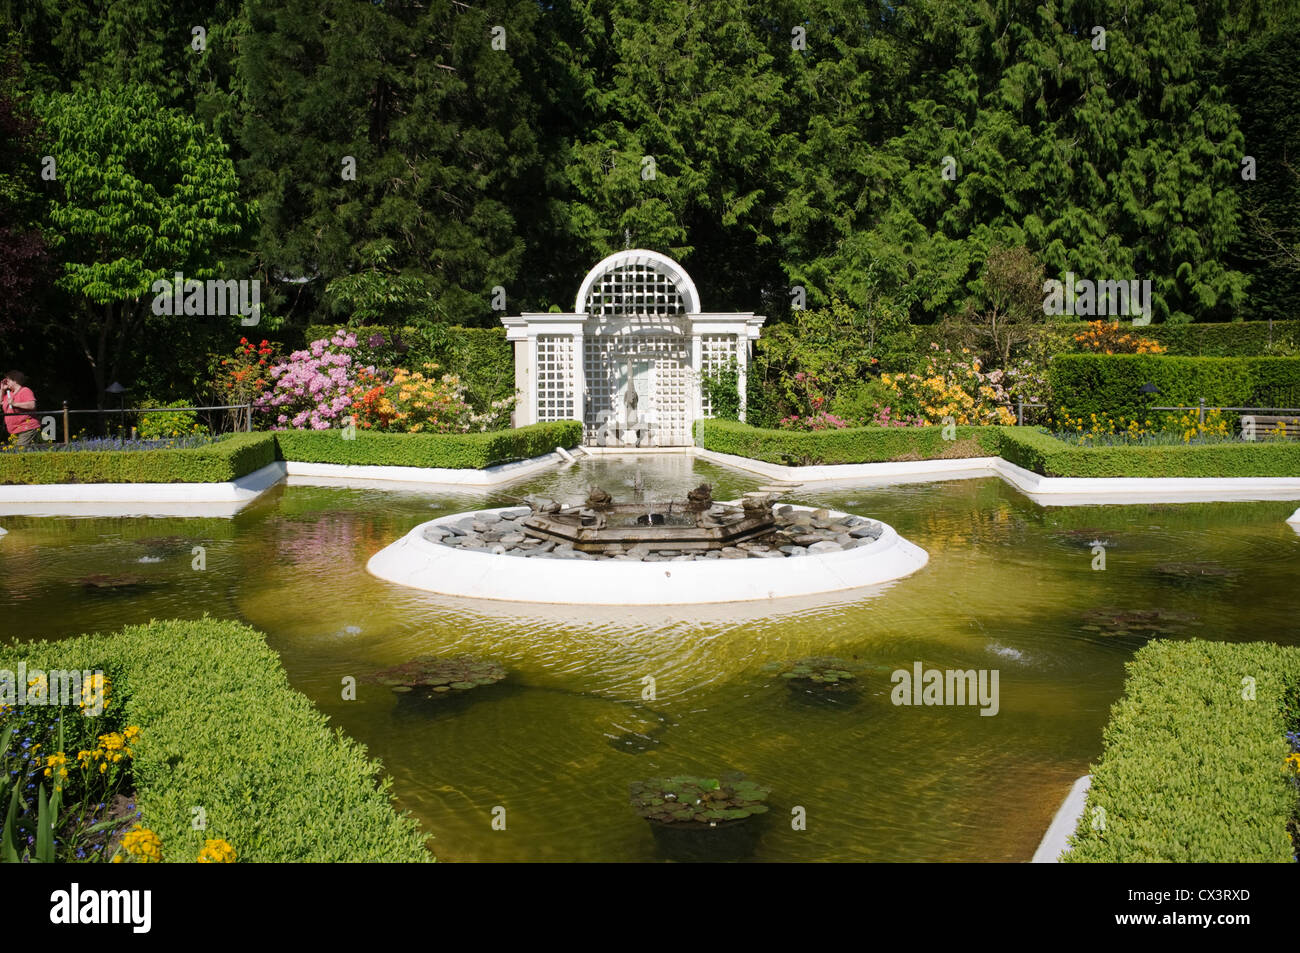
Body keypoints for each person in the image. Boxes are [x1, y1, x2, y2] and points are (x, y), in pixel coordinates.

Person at [1, 371, 39, 446]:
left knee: (18, 451)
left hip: (26, 428)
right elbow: (1, 402)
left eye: (8, 380)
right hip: (14, 430)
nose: (6, 382)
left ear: (15, 381)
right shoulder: (10, 393)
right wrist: (2, 389)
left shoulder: (25, 391)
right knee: (17, 452)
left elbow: (32, 405)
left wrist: (15, 404)